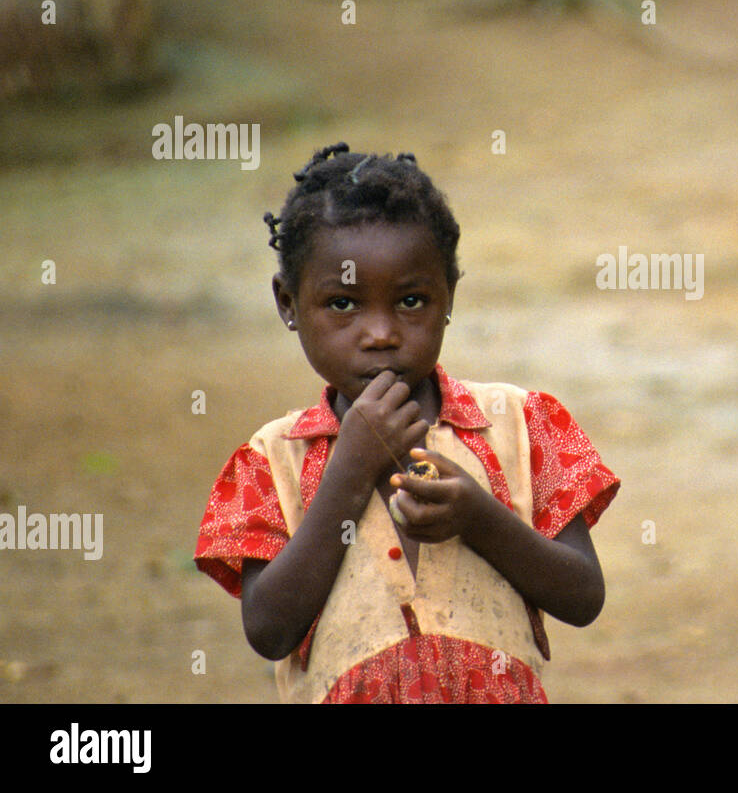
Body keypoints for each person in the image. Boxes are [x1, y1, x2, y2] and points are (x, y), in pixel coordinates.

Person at [194, 142, 619, 703]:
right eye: (343, 304)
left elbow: (583, 596)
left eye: (412, 300)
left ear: (450, 296)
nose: (381, 333)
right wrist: (347, 470)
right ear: (288, 303)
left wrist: (480, 517)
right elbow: (270, 629)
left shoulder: (519, 425)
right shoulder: (273, 460)